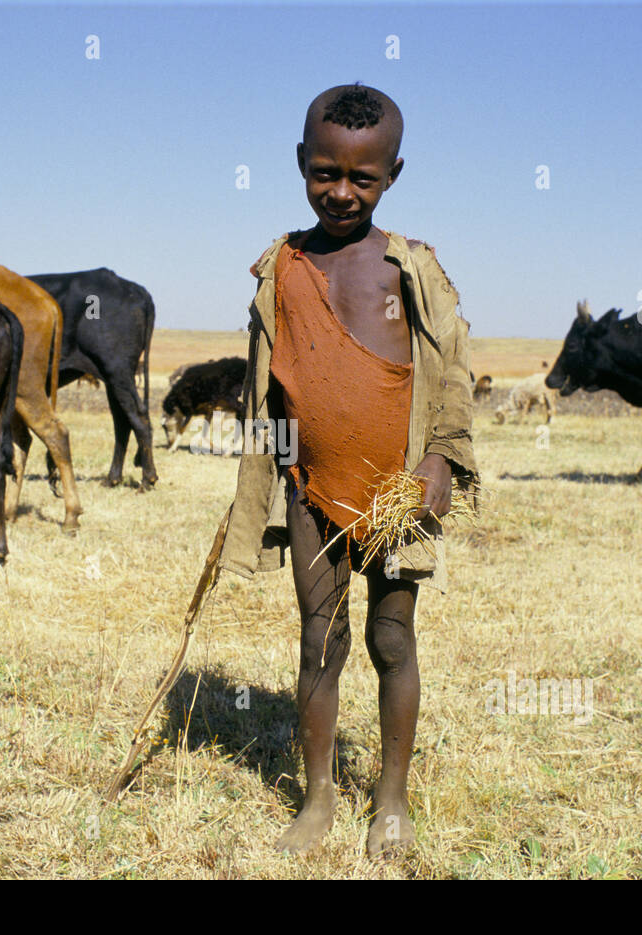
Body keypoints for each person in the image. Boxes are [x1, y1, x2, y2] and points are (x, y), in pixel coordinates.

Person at [219, 83, 479, 856]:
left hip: (395, 495)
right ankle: (319, 797)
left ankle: (390, 798)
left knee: (391, 641)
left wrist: (440, 457)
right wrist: (262, 484)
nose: (340, 191)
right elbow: (269, 386)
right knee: (317, 644)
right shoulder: (282, 267)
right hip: (310, 491)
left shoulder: (410, 267)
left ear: (393, 174)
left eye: (361, 178)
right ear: (302, 162)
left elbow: (452, 372)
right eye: (324, 172)